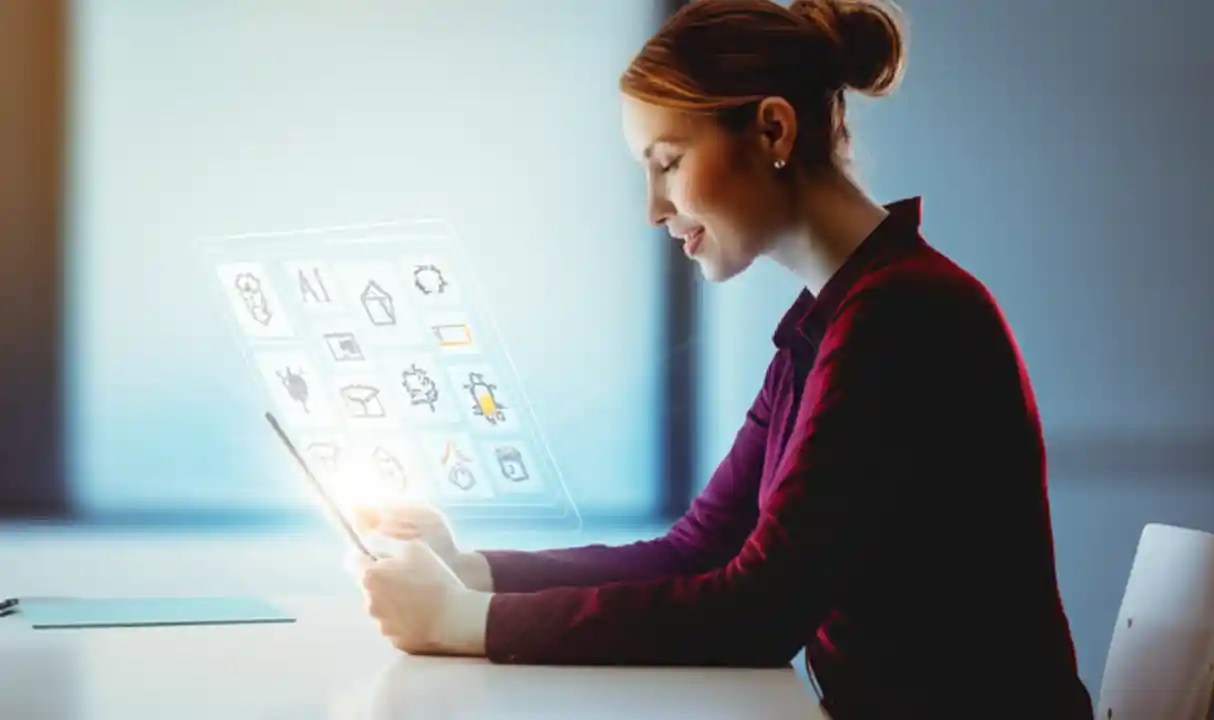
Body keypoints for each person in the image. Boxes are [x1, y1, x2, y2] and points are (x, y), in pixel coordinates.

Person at [347, 0, 1094, 716]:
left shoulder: (902, 317)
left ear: (772, 129)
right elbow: (699, 551)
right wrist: (469, 572)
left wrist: (464, 622)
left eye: (667, 162)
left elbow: (759, 612)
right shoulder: (828, 325)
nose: (653, 209)